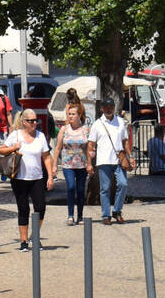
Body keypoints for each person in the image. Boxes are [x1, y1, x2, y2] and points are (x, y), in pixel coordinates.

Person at [0, 108, 55, 251]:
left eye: (35, 120)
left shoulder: (40, 136)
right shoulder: (16, 135)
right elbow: (1, 150)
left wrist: (50, 176)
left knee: (40, 207)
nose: (34, 123)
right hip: (19, 178)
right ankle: (23, 241)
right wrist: (13, 147)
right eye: (30, 121)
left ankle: (34, 236)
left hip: (37, 177)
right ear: (24, 122)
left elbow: (46, 157)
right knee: (23, 209)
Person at [87, 96, 131, 224]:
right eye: (106, 107)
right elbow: (91, 144)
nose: (109, 109)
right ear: (101, 109)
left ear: (114, 107)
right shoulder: (97, 124)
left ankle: (117, 210)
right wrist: (89, 162)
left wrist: (131, 157)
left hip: (119, 159)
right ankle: (106, 215)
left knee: (123, 184)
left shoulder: (120, 122)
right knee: (105, 188)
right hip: (104, 160)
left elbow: (125, 141)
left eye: (111, 107)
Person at [52, 102, 91, 225]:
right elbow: (57, 148)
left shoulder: (86, 129)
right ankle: (70, 215)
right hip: (68, 164)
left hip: (82, 164)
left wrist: (90, 164)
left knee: (80, 190)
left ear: (79, 115)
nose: (70, 116)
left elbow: (89, 148)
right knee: (70, 187)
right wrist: (54, 165)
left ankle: (80, 216)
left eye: (73, 114)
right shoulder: (64, 130)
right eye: (69, 114)